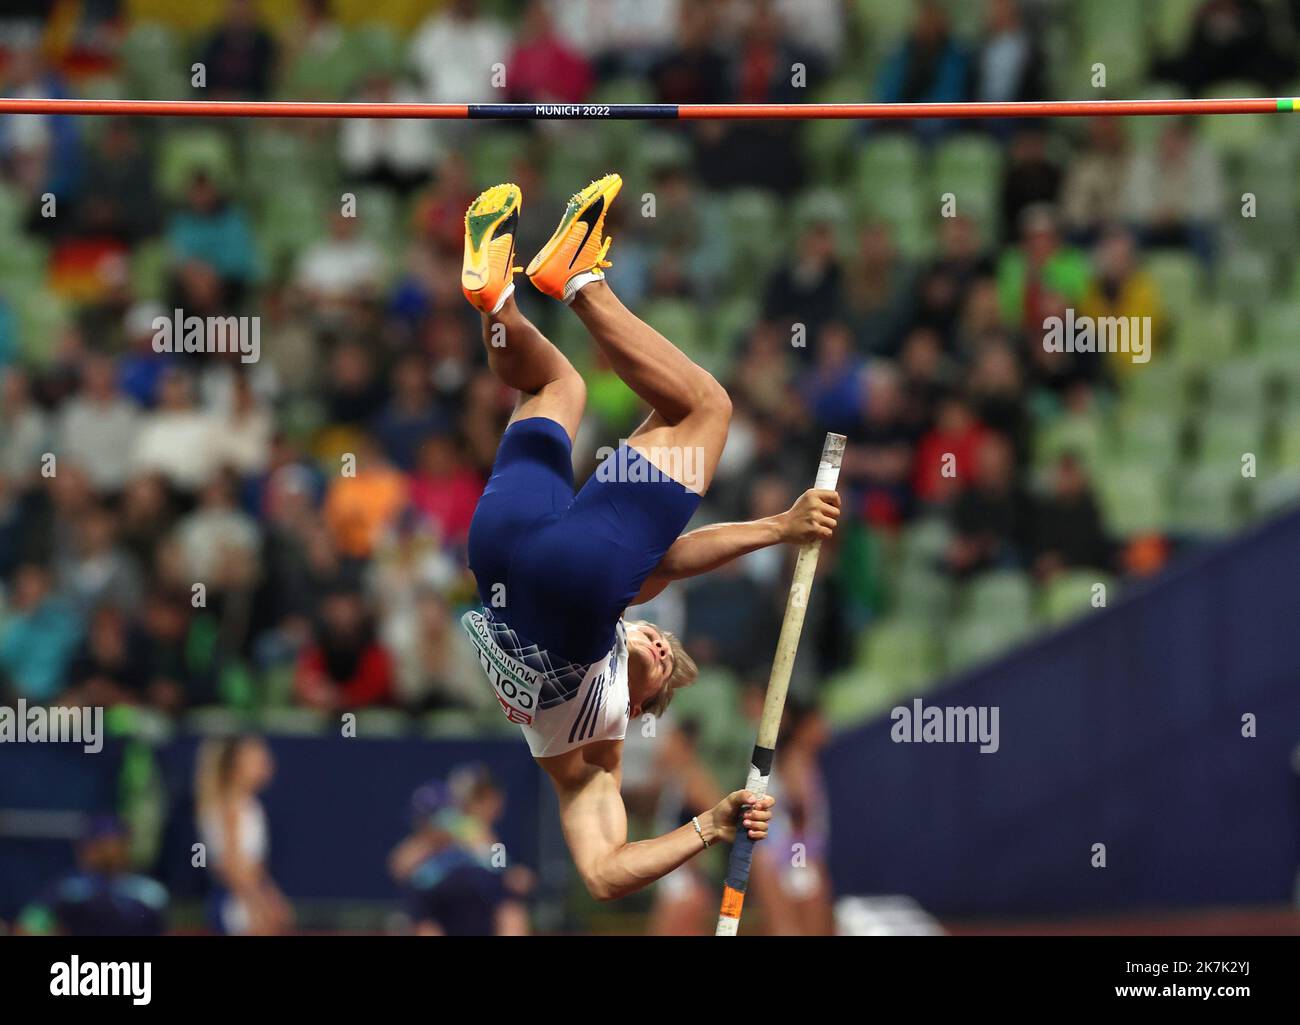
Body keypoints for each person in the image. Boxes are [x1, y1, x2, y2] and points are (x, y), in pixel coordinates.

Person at [458, 174, 842, 901]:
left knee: (704, 407)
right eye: (664, 647)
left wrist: (709, 825)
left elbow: (605, 873)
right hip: (506, 552)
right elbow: (672, 560)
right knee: (554, 389)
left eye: (664, 667)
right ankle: (497, 300)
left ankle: (579, 283)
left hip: (549, 570)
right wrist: (780, 527)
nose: (662, 648)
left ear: (637, 711)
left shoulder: (589, 761)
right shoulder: (616, 618)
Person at [194, 735, 293, 935]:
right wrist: (257, 904)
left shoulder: (245, 803)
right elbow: (231, 864)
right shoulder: (231, 807)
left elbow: (253, 866)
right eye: (259, 761)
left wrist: (271, 895)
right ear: (237, 766)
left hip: (245, 895)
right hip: (236, 900)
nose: (267, 765)